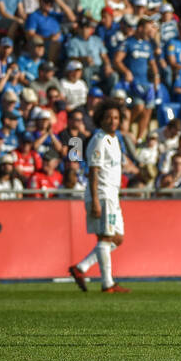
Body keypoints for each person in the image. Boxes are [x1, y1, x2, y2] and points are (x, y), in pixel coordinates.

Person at [68, 99, 130, 293]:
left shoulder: (114, 139)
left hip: (113, 194)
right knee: (105, 238)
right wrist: (95, 199)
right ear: (100, 119)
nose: (113, 121)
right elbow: (93, 171)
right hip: (102, 194)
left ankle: (81, 268)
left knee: (117, 238)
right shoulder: (99, 139)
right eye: (109, 117)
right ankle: (108, 284)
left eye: (116, 118)